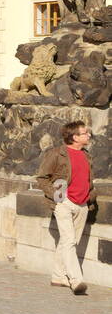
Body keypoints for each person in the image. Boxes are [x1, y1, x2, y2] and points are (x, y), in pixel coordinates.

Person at [37, 120, 98, 295]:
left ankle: (58, 276)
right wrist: (58, 196)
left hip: (83, 204)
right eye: (85, 133)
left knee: (69, 242)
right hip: (64, 202)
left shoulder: (86, 155)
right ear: (74, 137)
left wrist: (90, 196)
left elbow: (87, 180)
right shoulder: (57, 154)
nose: (88, 135)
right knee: (69, 241)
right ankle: (76, 280)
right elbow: (42, 178)